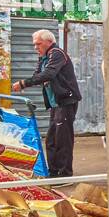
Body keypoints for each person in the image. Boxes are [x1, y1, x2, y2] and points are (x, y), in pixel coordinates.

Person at [13, 29, 82, 178]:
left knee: (63, 139)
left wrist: (24, 83)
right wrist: (27, 83)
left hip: (65, 101)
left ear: (49, 42)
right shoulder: (44, 57)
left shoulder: (56, 53)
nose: (35, 47)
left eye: (38, 44)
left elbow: (49, 74)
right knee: (52, 139)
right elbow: (38, 75)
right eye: (34, 44)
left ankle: (65, 174)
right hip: (55, 103)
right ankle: (53, 171)